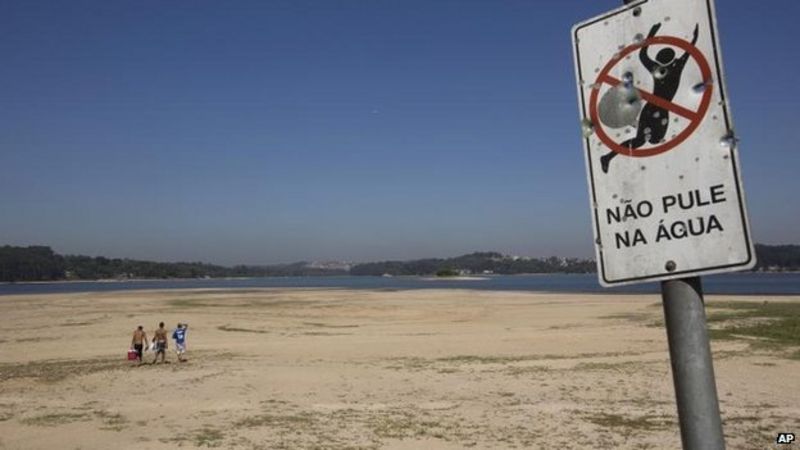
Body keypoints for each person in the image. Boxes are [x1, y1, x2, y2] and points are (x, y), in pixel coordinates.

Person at [600, 22, 699, 173]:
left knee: (654, 140)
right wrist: (693, 38)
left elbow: (643, 54)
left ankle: (615, 149)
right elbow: (687, 51)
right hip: (654, 108)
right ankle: (608, 157)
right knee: (642, 141)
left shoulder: (665, 67)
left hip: (660, 110)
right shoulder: (674, 67)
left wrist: (652, 34)